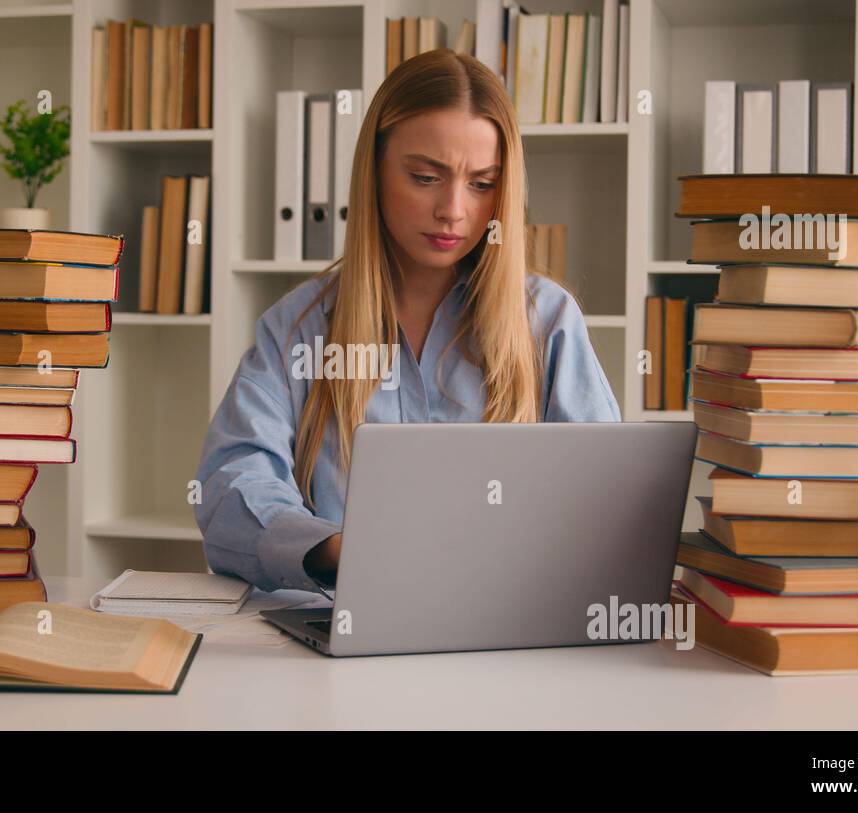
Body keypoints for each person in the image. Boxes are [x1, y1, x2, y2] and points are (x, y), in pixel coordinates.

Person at [194, 49, 620, 594]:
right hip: (338, 632)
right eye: (425, 177)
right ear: (373, 170)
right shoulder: (297, 328)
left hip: (507, 641)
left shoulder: (549, 321)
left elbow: (608, 498)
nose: (454, 210)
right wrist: (337, 551)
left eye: (482, 183)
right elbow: (230, 489)